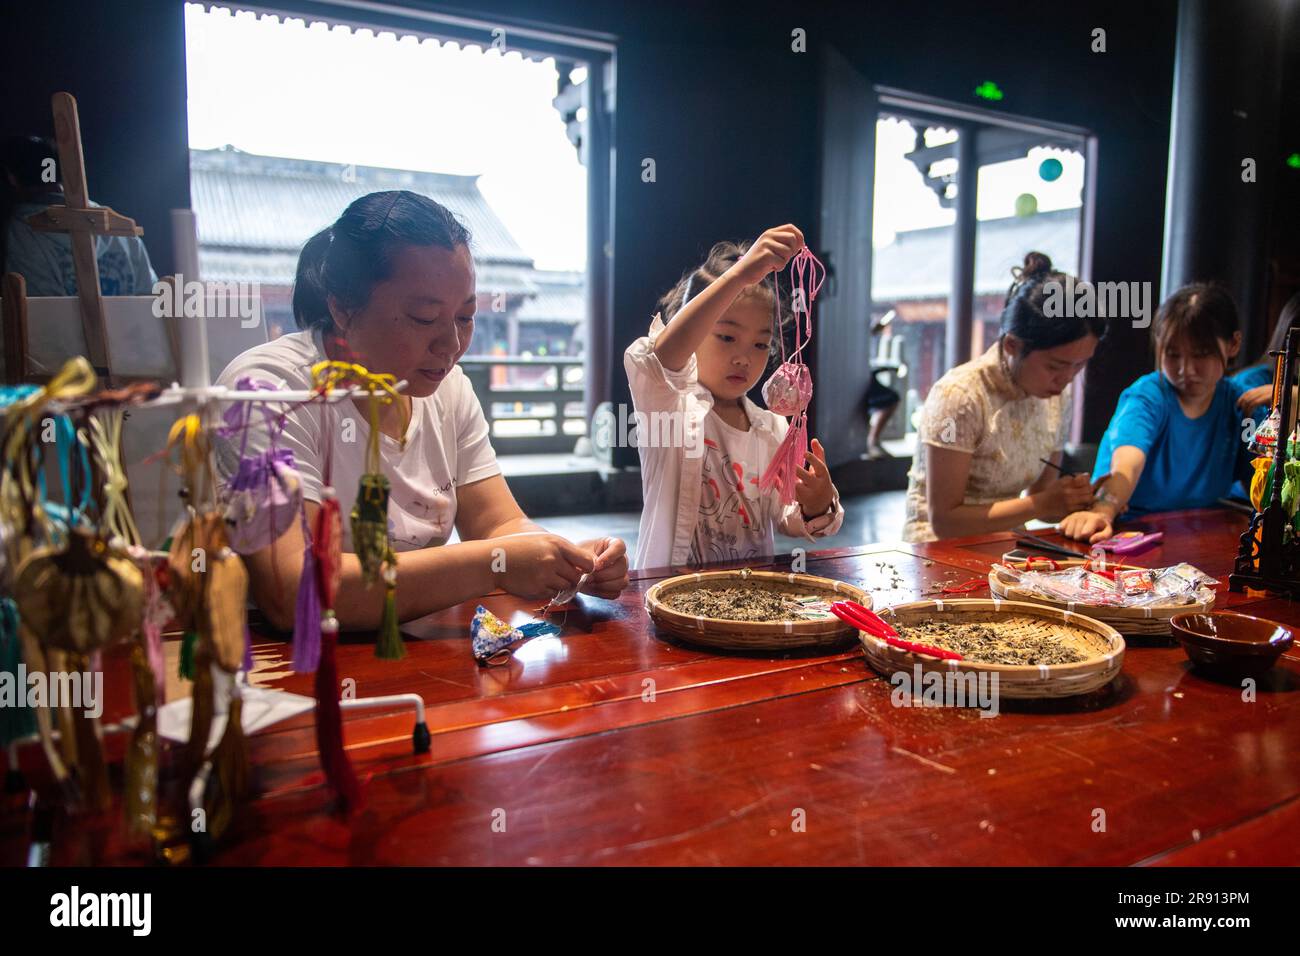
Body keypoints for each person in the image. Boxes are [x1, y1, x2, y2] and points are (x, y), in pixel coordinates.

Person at [215, 190, 628, 630]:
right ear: (341, 306)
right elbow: (295, 588)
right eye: (424, 319)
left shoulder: (447, 390)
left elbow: (497, 523)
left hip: (419, 652)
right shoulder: (271, 392)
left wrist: (563, 558)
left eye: (465, 318)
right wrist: (495, 563)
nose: (450, 346)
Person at [624, 224, 844, 570]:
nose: (744, 357)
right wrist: (741, 275)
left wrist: (817, 503)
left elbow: (787, 514)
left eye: (760, 344)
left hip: (747, 598)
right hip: (669, 594)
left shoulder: (770, 426)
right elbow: (659, 360)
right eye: (727, 337)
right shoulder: (669, 405)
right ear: (693, 329)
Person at [903, 251, 1104, 542]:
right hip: (935, 552)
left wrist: (1075, 500)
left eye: (1080, 365)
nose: (1067, 379)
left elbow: (1041, 502)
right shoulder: (960, 396)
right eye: (1055, 366)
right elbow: (945, 522)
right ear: (1012, 345)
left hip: (1004, 546)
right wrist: (1043, 503)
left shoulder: (1057, 398)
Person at [1060, 283, 1250, 543]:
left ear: (1233, 344)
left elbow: (1262, 477)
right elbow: (1128, 462)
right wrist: (1104, 509)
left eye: (1201, 354)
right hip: (1128, 531)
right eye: (1173, 355)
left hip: (1200, 535)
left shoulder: (1240, 403)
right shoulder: (1148, 396)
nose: (1185, 369)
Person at [0, 135, 156, 296]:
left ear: (11, 178)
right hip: (130, 322)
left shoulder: (24, 232)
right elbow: (152, 300)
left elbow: (41, 314)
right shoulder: (117, 226)